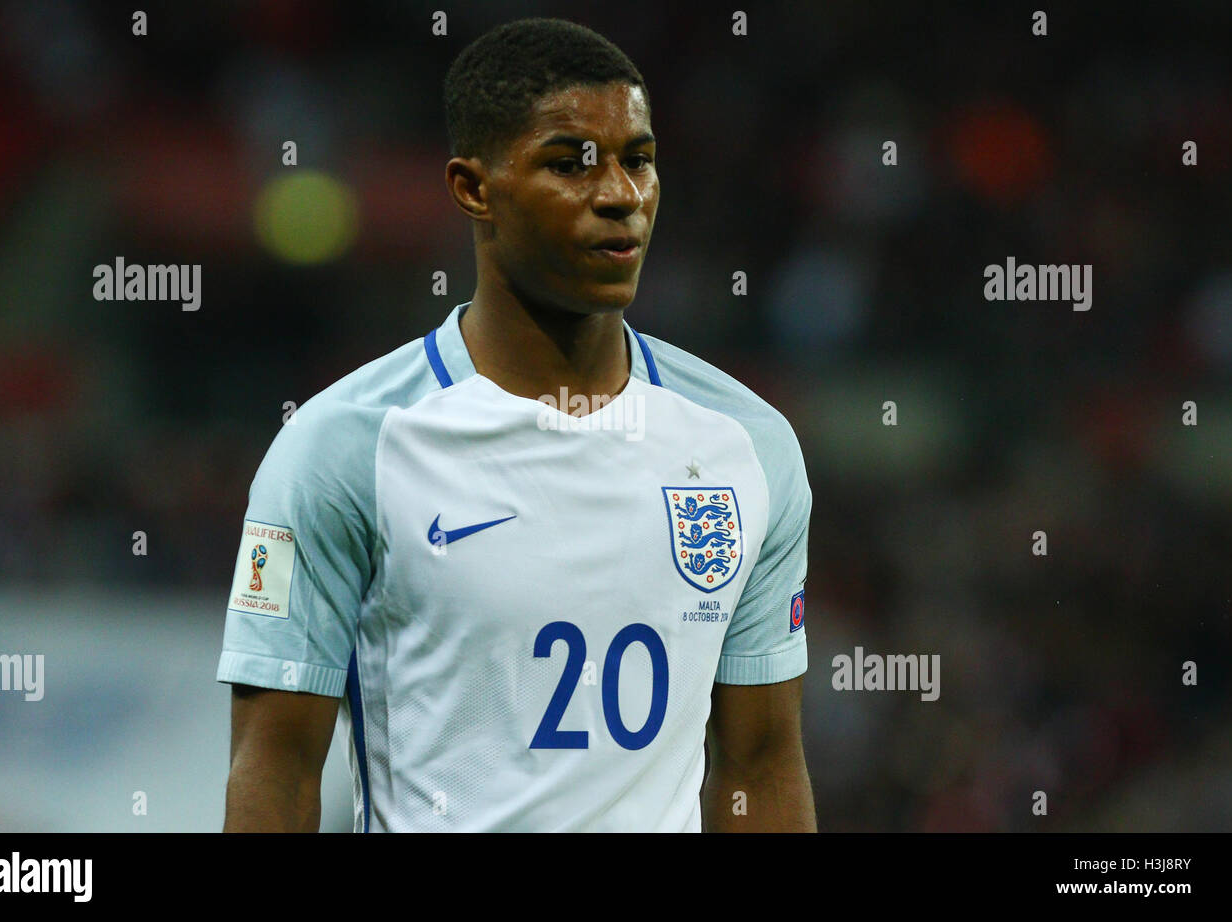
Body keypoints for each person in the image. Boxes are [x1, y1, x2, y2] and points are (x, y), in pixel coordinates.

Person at [218, 16, 815, 832]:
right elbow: (276, 771)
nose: (620, 195)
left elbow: (762, 762)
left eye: (638, 159)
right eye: (570, 163)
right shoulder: (344, 448)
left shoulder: (748, 448)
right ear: (474, 188)